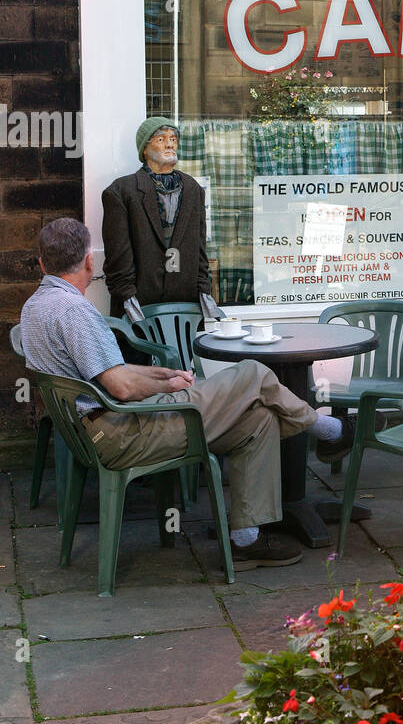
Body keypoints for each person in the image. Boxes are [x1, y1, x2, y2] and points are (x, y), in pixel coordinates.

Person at [20, 219, 354, 570]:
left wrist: (162, 373)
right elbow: (122, 387)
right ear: (90, 262)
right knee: (254, 373)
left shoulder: (36, 307)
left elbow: (107, 374)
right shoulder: (75, 311)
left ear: (42, 263)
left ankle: (246, 540)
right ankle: (327, 431)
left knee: (259, 419)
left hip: (97, 429)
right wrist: (168, 386)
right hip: (124, 432)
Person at [101, 118, 221, 324]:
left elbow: (200, 247)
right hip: (139, 304)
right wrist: (127, 296)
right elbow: (117, 255)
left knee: (181, 355)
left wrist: (203, 289)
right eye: (161, 139)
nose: (169, 144)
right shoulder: (121, 192)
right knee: (139, 356)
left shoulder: (193, 189)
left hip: (184, 303)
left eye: (173, 139)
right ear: (144, 150)